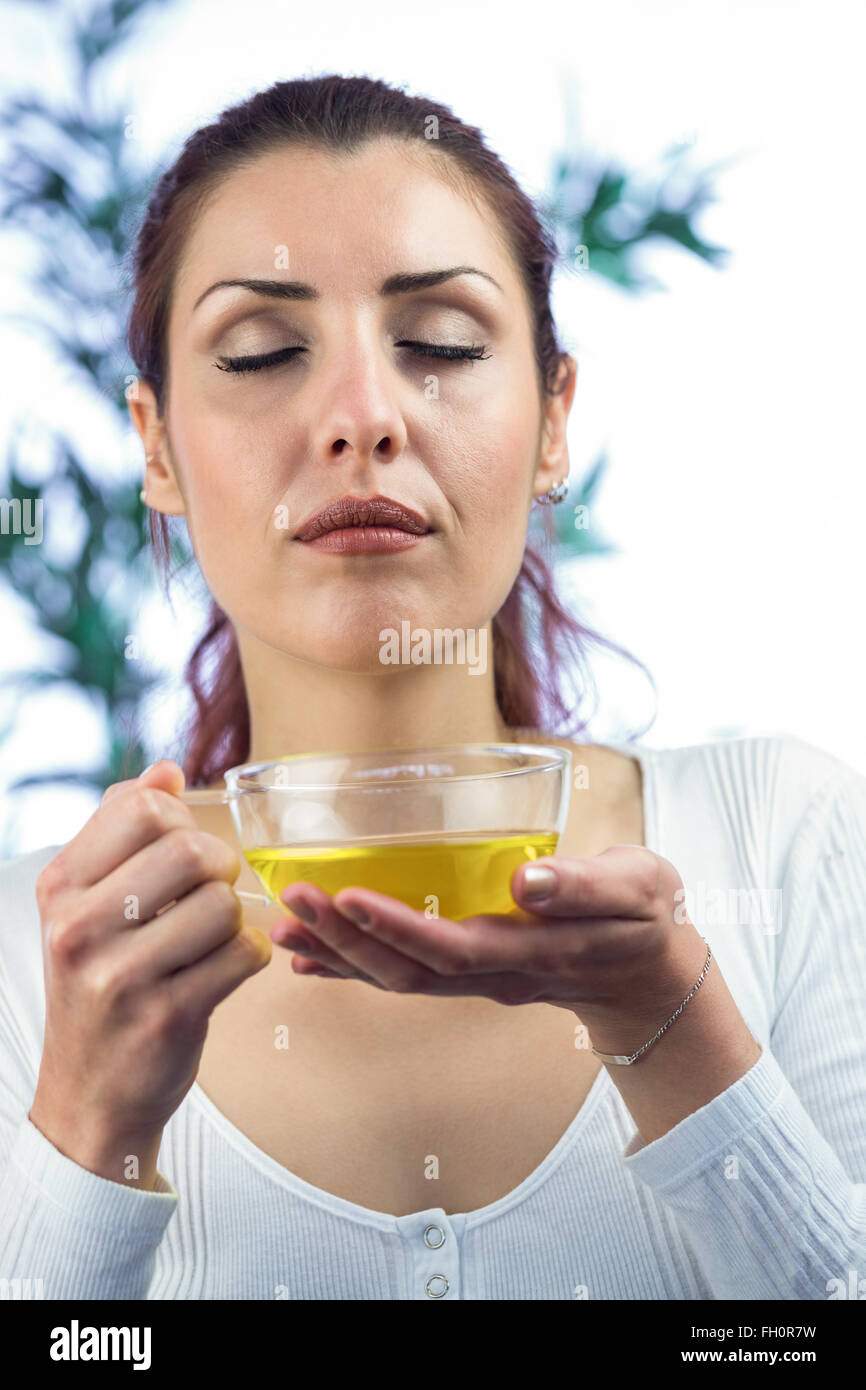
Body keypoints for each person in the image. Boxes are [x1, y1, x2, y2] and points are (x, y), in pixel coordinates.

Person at [1, 74, 864, 1302]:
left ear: (553, 420)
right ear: (156, 447)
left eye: (441, 345)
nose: (362, 416)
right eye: (260, 352)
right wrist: (89, 1132)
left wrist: (675, 1032)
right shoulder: (41, 956)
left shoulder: (786, 838)